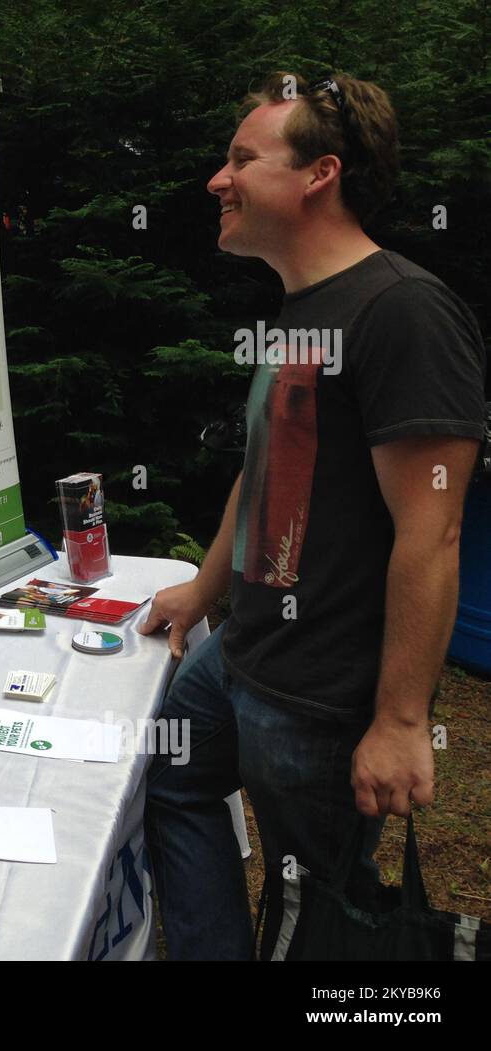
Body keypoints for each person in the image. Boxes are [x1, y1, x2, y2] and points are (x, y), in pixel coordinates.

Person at [139, 72, 487, 960]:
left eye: (242, 160)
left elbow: (434, 528)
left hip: (323, 699)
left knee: (322, 917)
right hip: (240, 656)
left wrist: (403, 720)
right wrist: (202, 587)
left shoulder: (403, 312)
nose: (219, 180)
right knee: (173, 781)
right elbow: (264, 470)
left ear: (318, 175)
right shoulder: (303, 304)